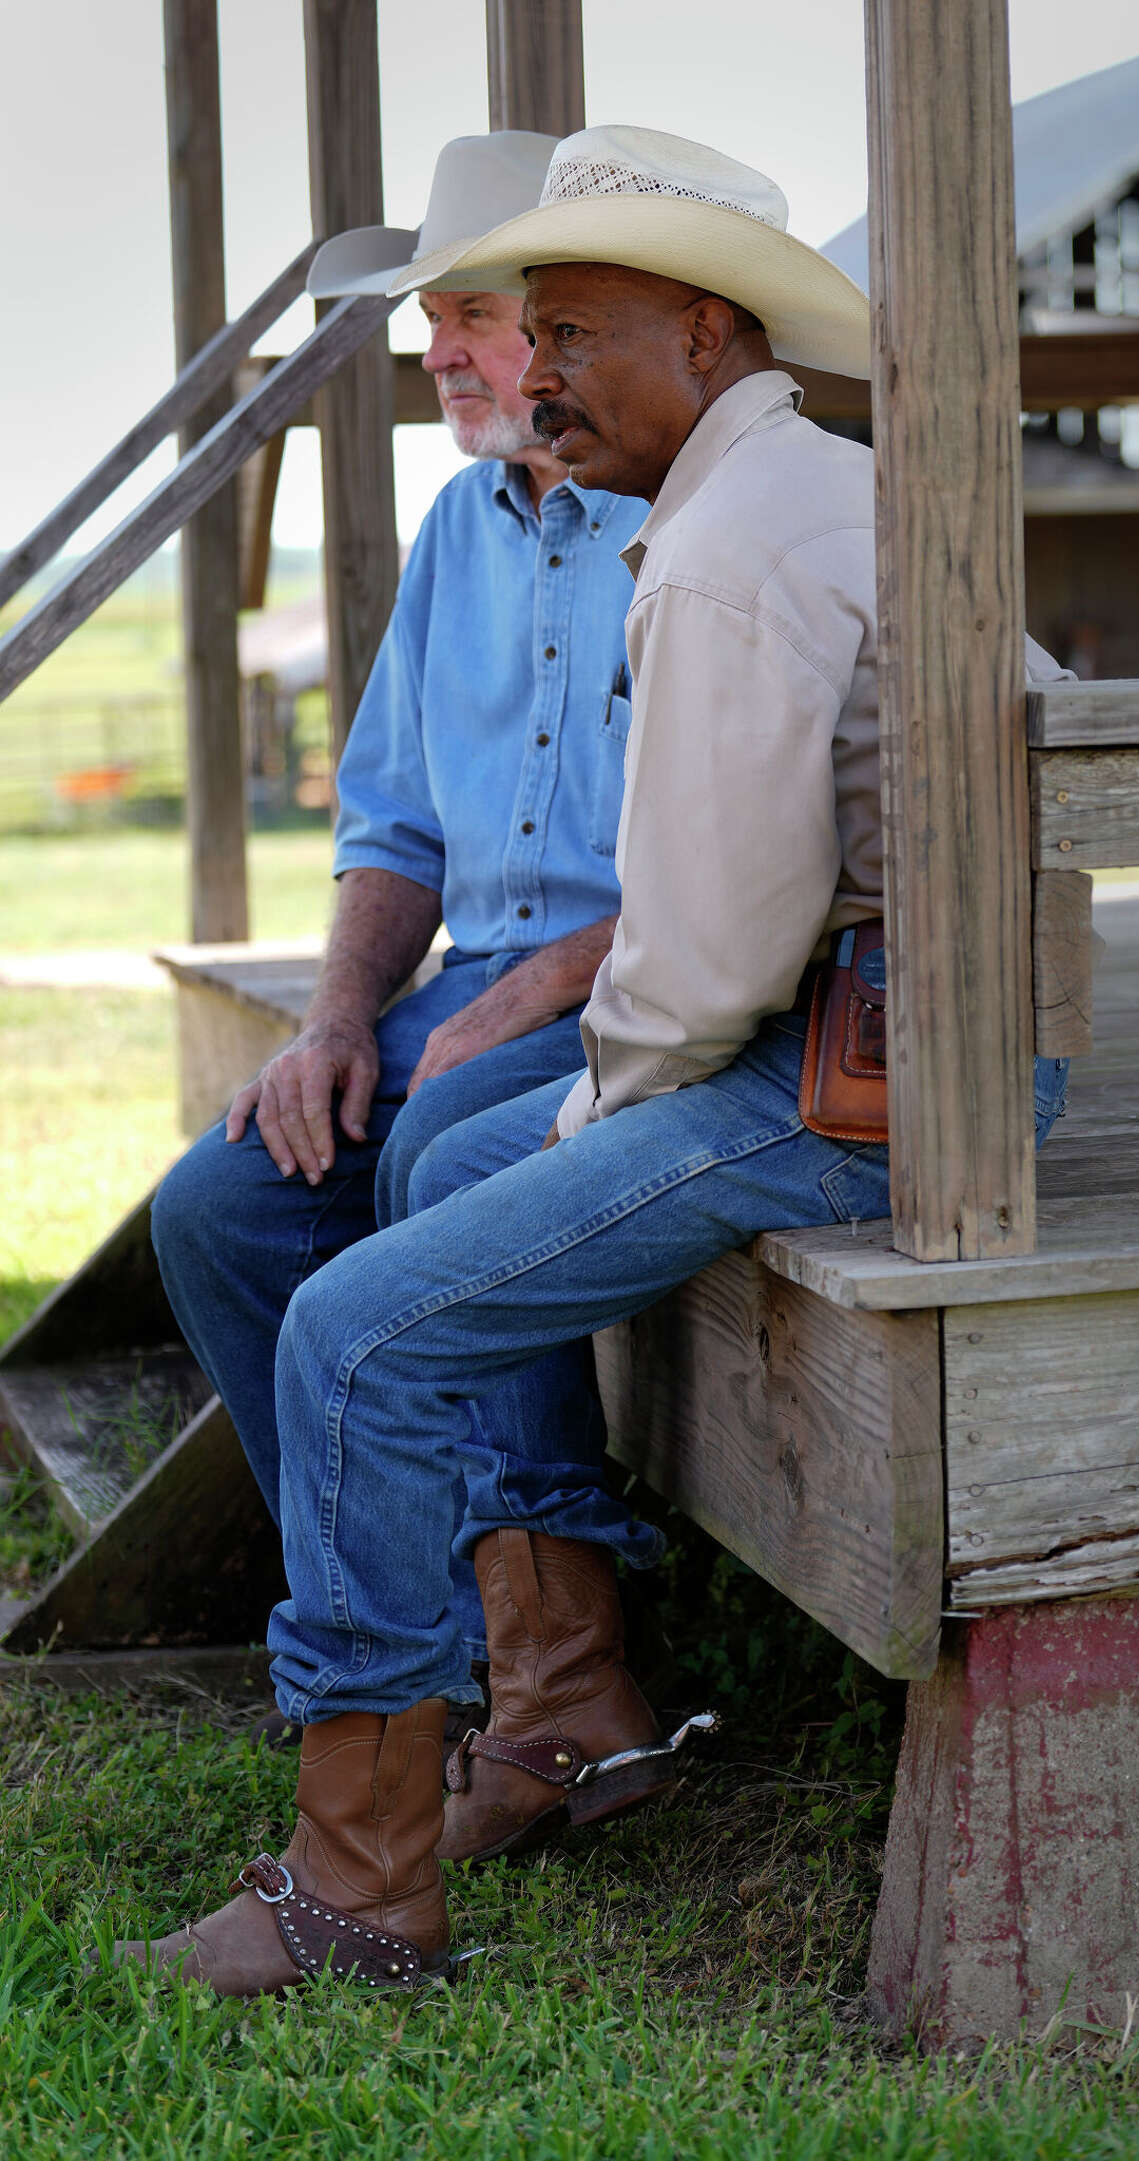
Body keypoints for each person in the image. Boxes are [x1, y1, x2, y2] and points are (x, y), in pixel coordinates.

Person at [117, 125, 1071, 1995]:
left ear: (707, 334)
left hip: (859, 1089)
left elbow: (698, 965)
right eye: (521, 333)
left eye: (571, 334)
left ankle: (358, 1885)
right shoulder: (801, 485)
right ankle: (550, 1697)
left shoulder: (717, 551)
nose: (534, 376)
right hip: (884, 1040)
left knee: (360, 1323)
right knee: (425, 1185)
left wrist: (572, 1104)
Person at [148, 134, 647, 1731]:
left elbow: (739, 873)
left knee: (448, 1137)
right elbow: (398, 831)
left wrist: (506, 1013)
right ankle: (405, 1647)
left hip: (653, 981)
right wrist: (338, 1017)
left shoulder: (686, 520)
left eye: (472, 317)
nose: (433, 355)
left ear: (575, 323)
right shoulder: (455, 534)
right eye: (429, 323)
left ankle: (545, 1674)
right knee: (222, 1206)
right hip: (472, 986)